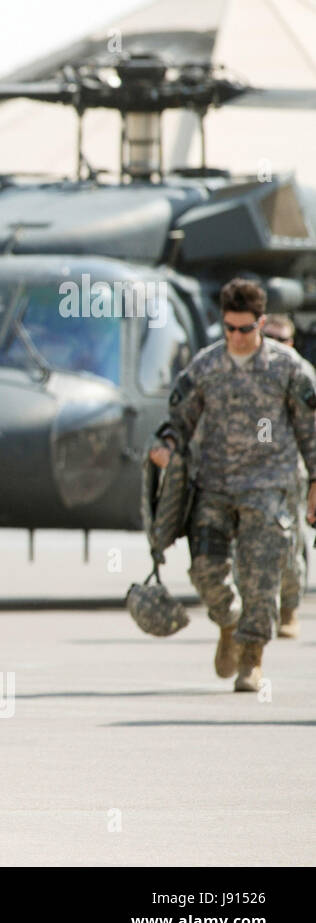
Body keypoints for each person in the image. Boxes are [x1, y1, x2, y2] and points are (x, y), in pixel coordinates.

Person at [150, 279, 316, 690]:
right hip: (215, 485)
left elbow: (310, 430)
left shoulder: (288, 369)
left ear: (261, 322)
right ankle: (228, 620)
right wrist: (166, 448)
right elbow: (178, 423)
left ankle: (252, 659)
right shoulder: (206, 367)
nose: (237, 337)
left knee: (261, 580)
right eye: (229, 328)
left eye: (245, 329)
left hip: (268, 487)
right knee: (206, 571)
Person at [263, 312, 311, 637]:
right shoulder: (247, 371)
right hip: (250, 472)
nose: (275, 346)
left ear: (291, 342)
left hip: (290, 471)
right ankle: (256, 612)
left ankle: (289, 607)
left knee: (289, 542)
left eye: (281, 340)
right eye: (269, 338)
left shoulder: (301, 374)